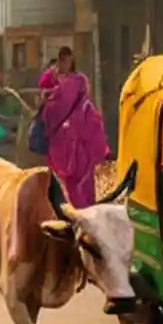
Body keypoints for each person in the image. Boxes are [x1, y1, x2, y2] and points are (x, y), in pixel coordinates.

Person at [38, 47, 109, 209]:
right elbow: (45, 91)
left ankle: (87, 208)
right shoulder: (54, 79)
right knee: (69, 180)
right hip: (64, 140)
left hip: (80, 137)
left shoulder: (78, 80)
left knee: (84, 177)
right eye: (62, 61)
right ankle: (77, 209)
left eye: (68, 60)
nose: (65, 64)